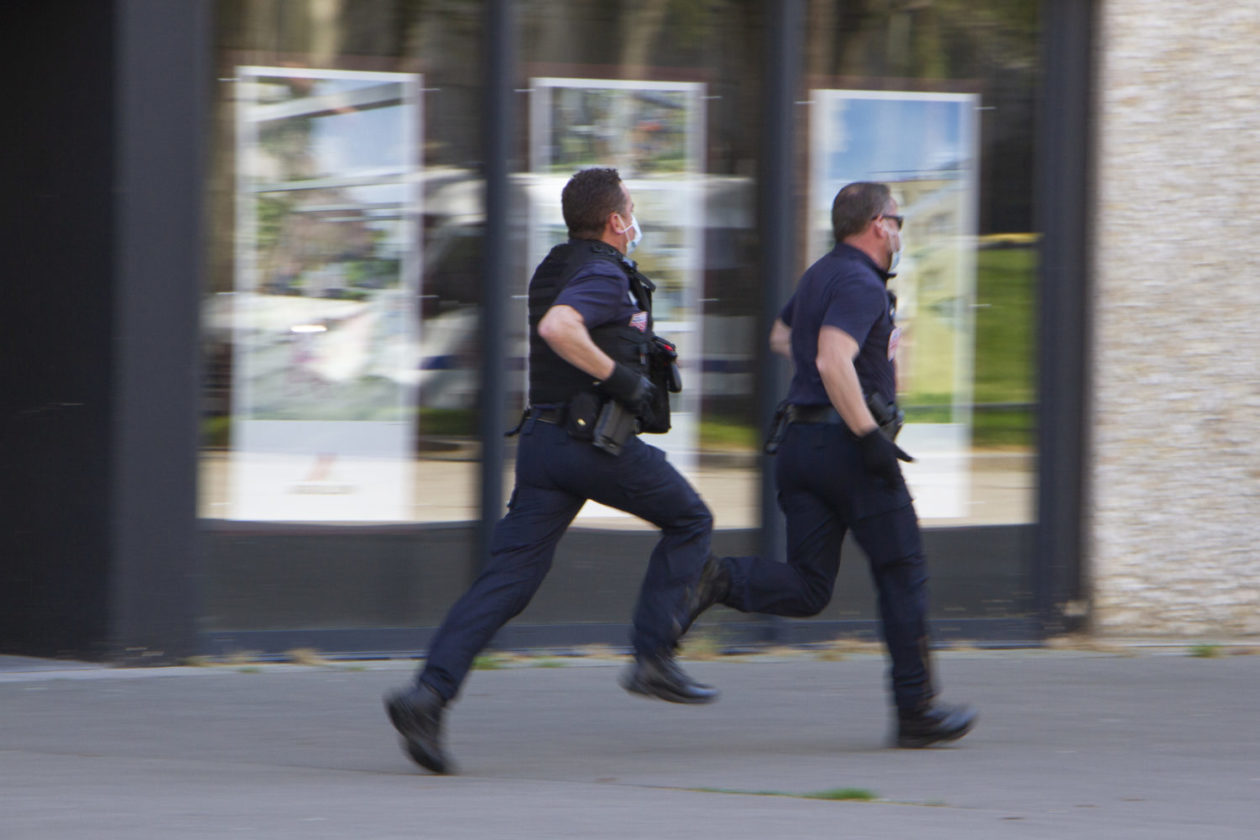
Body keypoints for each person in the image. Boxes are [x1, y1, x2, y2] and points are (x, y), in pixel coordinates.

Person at [385, 167, 720, 775]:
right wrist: (622, 379)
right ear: (616, 221)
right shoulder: (600, 273)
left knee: (508, 580)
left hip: (543, 442)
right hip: (591, 444)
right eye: (632, 208)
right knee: (692, 519)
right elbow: (558, 328)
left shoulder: (555, 264)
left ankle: (427, 696)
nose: (636, 218)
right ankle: (653, 657)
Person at [686, 181, 977, 748]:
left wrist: (841, 366)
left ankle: (714, 579)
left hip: (800, 447)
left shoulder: (821, 273)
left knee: (808, 584)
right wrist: (867, 434)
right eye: (898, 220)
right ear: (877, 225)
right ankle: (916, 710)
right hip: (848, 450)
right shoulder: (862, 283)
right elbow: (829, 355)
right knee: (902, 571)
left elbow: (782, 335)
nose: (899, 232)